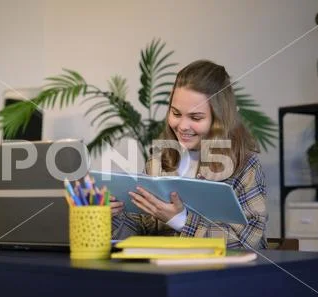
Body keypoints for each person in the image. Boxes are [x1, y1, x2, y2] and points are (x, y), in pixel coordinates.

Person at [110, 60, 268, 249]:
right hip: (164, 274)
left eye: (195, 117)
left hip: (221, 277)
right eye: (176, 114)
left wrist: (180, 220)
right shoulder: (159, 162)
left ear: (219, 119)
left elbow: (247, 242)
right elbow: (138, 228)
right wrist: (112, 216)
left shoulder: (245, 166)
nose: (182, 126)